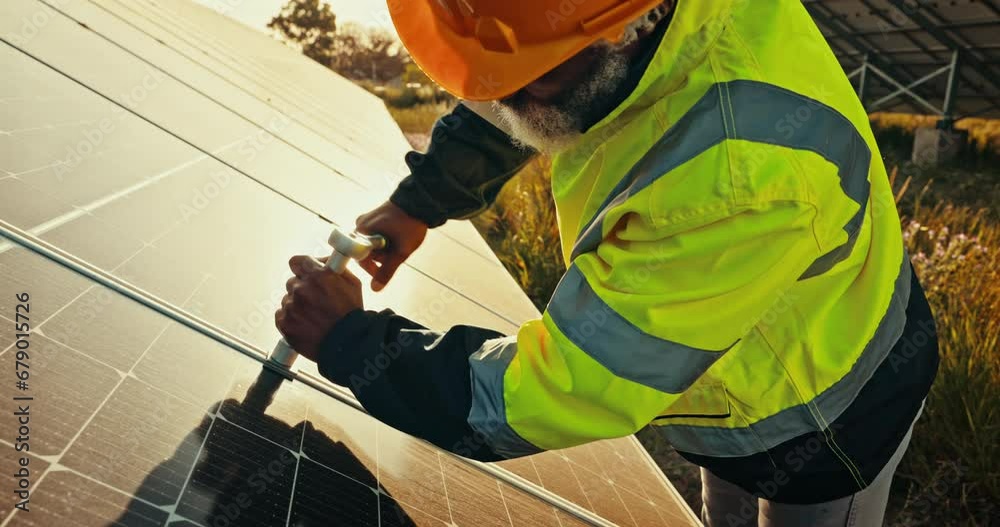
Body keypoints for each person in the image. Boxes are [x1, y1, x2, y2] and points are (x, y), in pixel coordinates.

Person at [275, 1, 939, 525]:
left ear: (628, 27)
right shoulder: (600, 36)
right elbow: (517, 75)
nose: (517, 98)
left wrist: (355, 343)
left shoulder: (736, 174)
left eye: (544, 75)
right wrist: (419, 202)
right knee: (725, 510)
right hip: (726, 381)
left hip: (825, 409)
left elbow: (563, 385)